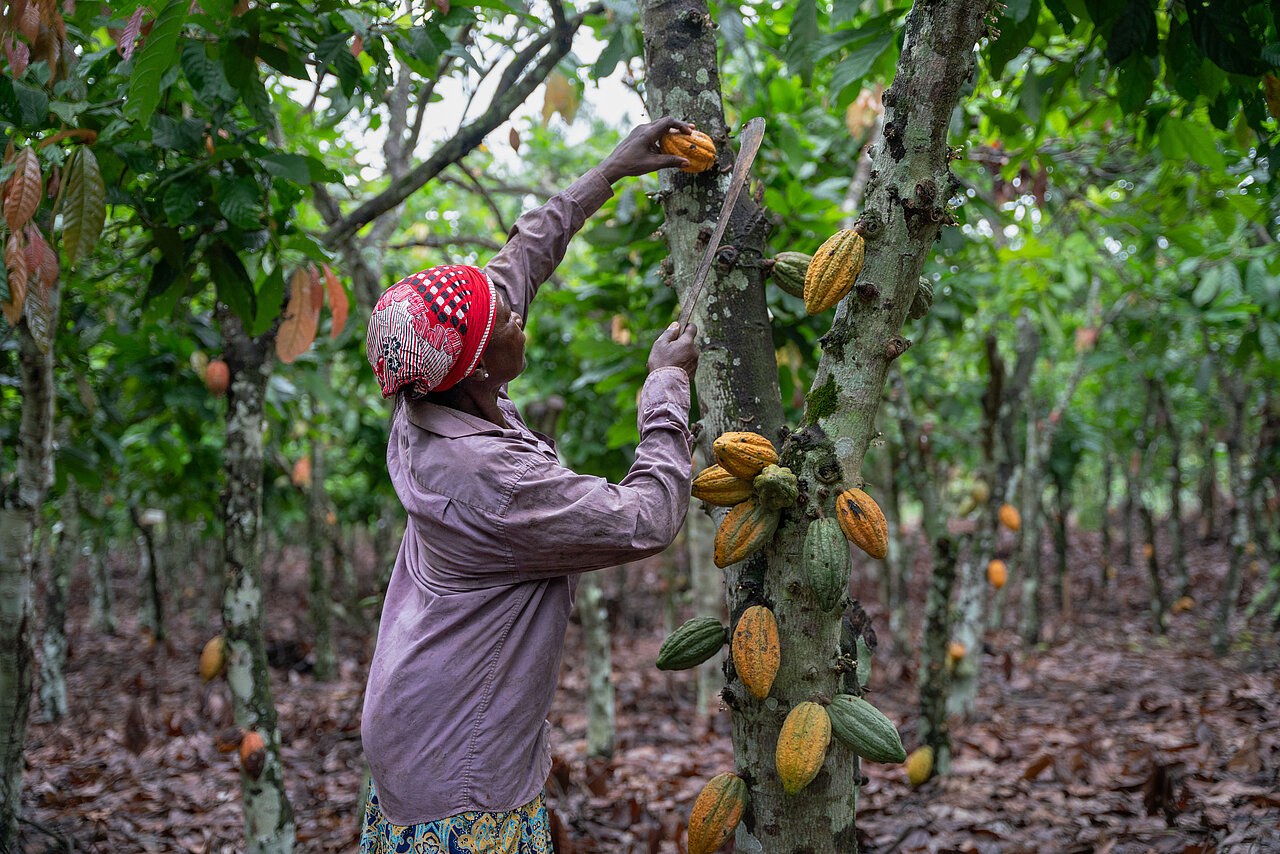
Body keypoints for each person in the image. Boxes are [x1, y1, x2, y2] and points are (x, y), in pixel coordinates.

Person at [360, 117, 702, 853]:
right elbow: (646, 518)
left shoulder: (432, 386)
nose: (516, 310)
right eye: (506, 320)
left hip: (417, 724)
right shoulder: (493, 479)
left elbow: (513, 269)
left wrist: (608, 171)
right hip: (459, 777)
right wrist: (666, 388)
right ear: (481, 364)